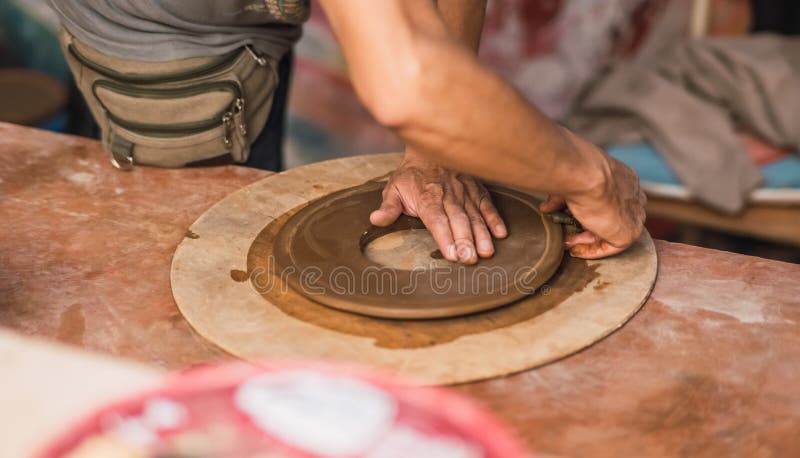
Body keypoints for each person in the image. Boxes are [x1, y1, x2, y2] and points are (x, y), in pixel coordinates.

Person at [50, 0, 645, 262]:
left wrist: (432, 149)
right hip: (169, 32)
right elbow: (408, 86)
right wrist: (592, 177)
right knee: (193, 255)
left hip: (253, 19)